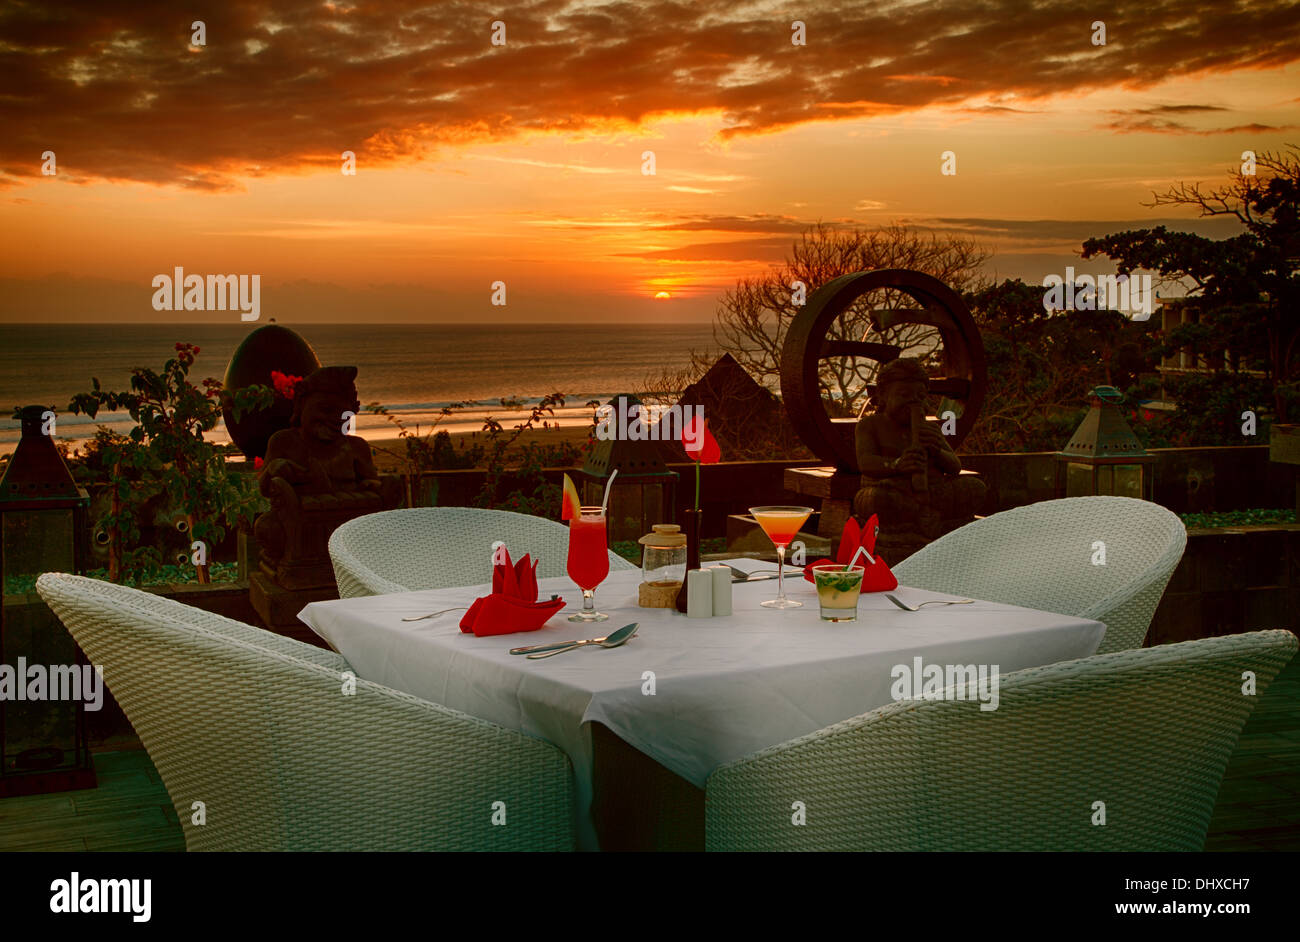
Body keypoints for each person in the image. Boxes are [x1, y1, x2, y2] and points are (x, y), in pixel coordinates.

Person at [853, 357, 984, 537]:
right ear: (883, 396)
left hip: (934, 493)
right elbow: (865, 462)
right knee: (873, 500)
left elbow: (955, 466)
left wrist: (937, 450)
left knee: (974, 487)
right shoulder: (870, 425)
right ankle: (924, 516)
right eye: (904, 395)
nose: (914, 401)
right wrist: (896, 465)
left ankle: (926, 515)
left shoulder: (930, 429)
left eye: (920, 396)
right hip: (894, 492)